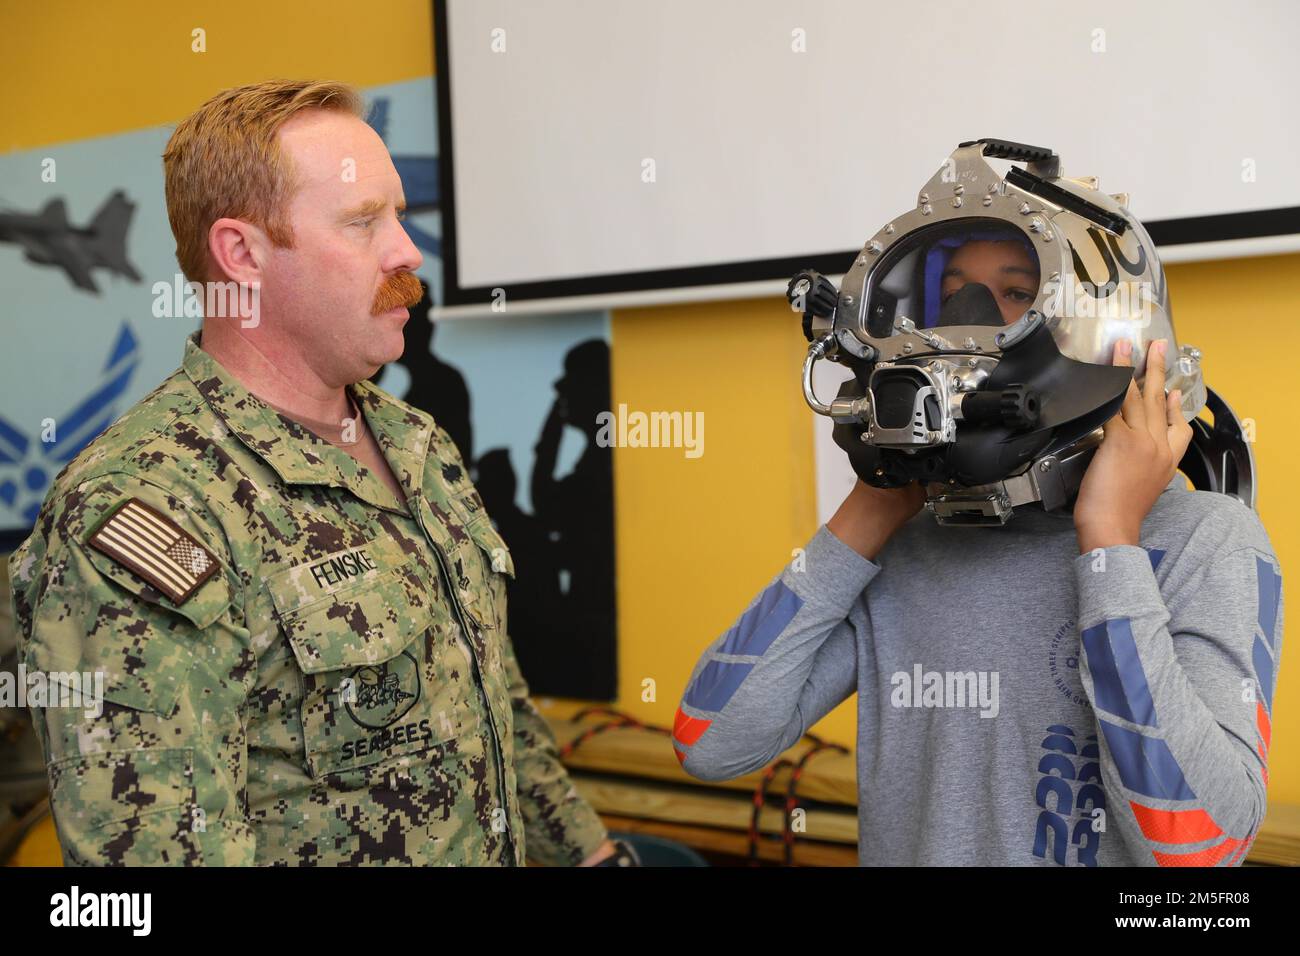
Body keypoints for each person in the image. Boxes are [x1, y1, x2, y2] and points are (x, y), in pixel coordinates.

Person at [7, 79, 621, 866]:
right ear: (242, 254)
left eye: (398, 215)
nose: (405, 252)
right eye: (364, 222)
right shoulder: (147, 504)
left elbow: (490, 698)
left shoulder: (414, 442)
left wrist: (592, 856)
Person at [676, 143, 1284, 866]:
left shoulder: (1203, 541)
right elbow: (709, 743)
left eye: (1015, 293)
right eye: (948, 291)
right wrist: (868, 512)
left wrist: (1110, 540)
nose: (964, 318)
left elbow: (1200, 842)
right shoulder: (909, 543)